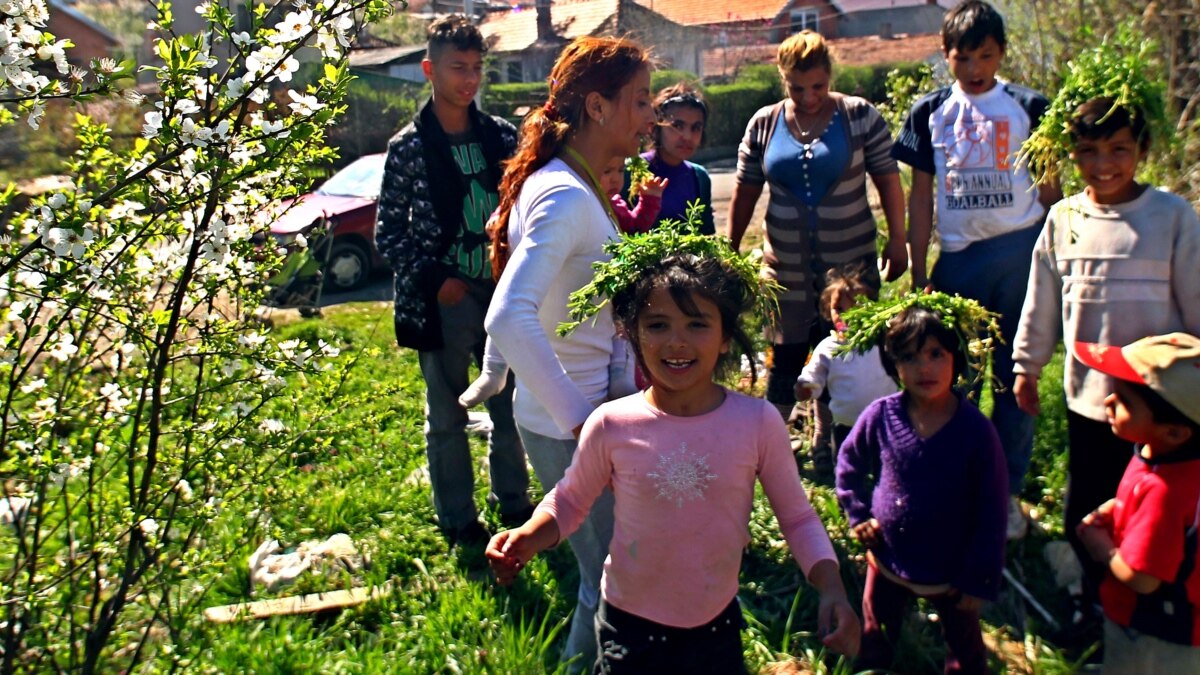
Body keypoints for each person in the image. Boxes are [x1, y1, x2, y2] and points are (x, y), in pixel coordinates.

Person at [488, 250, 861, 673]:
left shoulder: (756, 423)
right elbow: (570, 501)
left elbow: (797, 518)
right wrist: (528, 537)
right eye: (657, 325)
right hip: (627, 630)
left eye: (697, 324)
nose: (676, 341)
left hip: (714, 629)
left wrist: (831, 587)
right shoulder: (612, 424)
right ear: (631, 334)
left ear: (724, 337)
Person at [482, 36, 656, 671]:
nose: (650, 118)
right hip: (568, 426)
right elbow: (506, 314)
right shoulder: (563, 194)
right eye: (639, 101)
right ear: (597, 107)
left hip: (575, 415)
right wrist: (581, 421)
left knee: (607, 576)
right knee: (609, 581)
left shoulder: (576, 187)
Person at [1011, 96, 1200, 624]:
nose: (1104, 164)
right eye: (1088, 151)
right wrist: (1026, 365)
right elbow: (1042, 298)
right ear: (1068, 153)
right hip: (1092, 400)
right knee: (1086, 510)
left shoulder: (1170, 217)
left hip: (1164, 410)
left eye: (1120, 149)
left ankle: (1155, 608)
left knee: (1156, 510)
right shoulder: (1064, 219)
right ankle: (1096, 603)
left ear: (1143, 148)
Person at [891, 0, 1062, 540]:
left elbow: (1052, 189)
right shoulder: (930, 113)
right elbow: (921, 198)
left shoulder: (1029, 107)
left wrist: (1060, 261)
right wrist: (920, 270)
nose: (973, 69)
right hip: (960, 262)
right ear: (946, 56)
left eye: (985, 56)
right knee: (951, 377)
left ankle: (1006, 492)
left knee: (1016, 378)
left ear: (1001, 54)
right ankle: (953, 481)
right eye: (962, 58)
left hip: (1022, 256)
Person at [374, 15, 530, 547]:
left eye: (476, 68)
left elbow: (523, 212)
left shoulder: (502, 137)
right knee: (447, 415)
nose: (469, 79)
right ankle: (458, 519)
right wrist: (439, 280)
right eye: (457, 67)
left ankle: (516, 503)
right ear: (428, 70)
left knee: (511, 405)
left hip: (503, 295)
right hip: (444, 303)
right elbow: (389, 234)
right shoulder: (409, 148)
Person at [727, 30, 907, 425]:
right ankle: (771, 442)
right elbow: (745, 191)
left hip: (850, 266)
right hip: (785, 266)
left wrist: (898, 239)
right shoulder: (764, 124)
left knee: (849, 350)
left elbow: (888, 179)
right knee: (786, 351)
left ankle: (837, 438)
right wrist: (731, 247)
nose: (808, 97)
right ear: (782, 78)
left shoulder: (859, 116)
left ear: (831, 75)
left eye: (818, 87)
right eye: (797, 88)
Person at [836, 303, 1007, 675]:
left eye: (935, 354)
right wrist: (858, 514)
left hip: (951, 571)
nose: (924, 368)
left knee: (964, 652)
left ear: (956, 359)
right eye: (910, 357)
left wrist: (980, 576)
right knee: (875, 634)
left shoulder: (975, 432)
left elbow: (993, 510)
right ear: (894, 365)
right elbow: (848, 464)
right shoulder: (881, 416)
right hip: (887, 560)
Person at [1073, 333, 1200, 673]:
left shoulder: (1165, 491)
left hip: (1155, 632)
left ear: (1174, 432)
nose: (1108, 400)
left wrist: (1101, 546)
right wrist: (1116, 507)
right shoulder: (1161, 455)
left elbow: (1142, 578)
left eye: (1124, 399)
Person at [794, 264, 898, 480]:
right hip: (845, 425)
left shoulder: (881, 339)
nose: (846, 316)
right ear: (828, 310)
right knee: (848, 470)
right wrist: (805, 387)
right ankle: (849, 505)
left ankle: (884, 501)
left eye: (855, 308)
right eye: (838, 309)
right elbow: (813, 375)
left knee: (885, 470)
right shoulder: (828, 347)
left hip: (884, 422)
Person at [627, 82, 715, 234]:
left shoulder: (699, 177)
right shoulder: (632, 170)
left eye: (696, 128)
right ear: (655, 128)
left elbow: (706, 235)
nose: (687, 137)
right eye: (677, 126)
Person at [602, 156, 666, 234]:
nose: (616, 179)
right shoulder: (587, 204)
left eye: (621, 170)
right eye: (606, 171)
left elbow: (635, 229)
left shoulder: (617, 204)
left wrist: (649, 199)